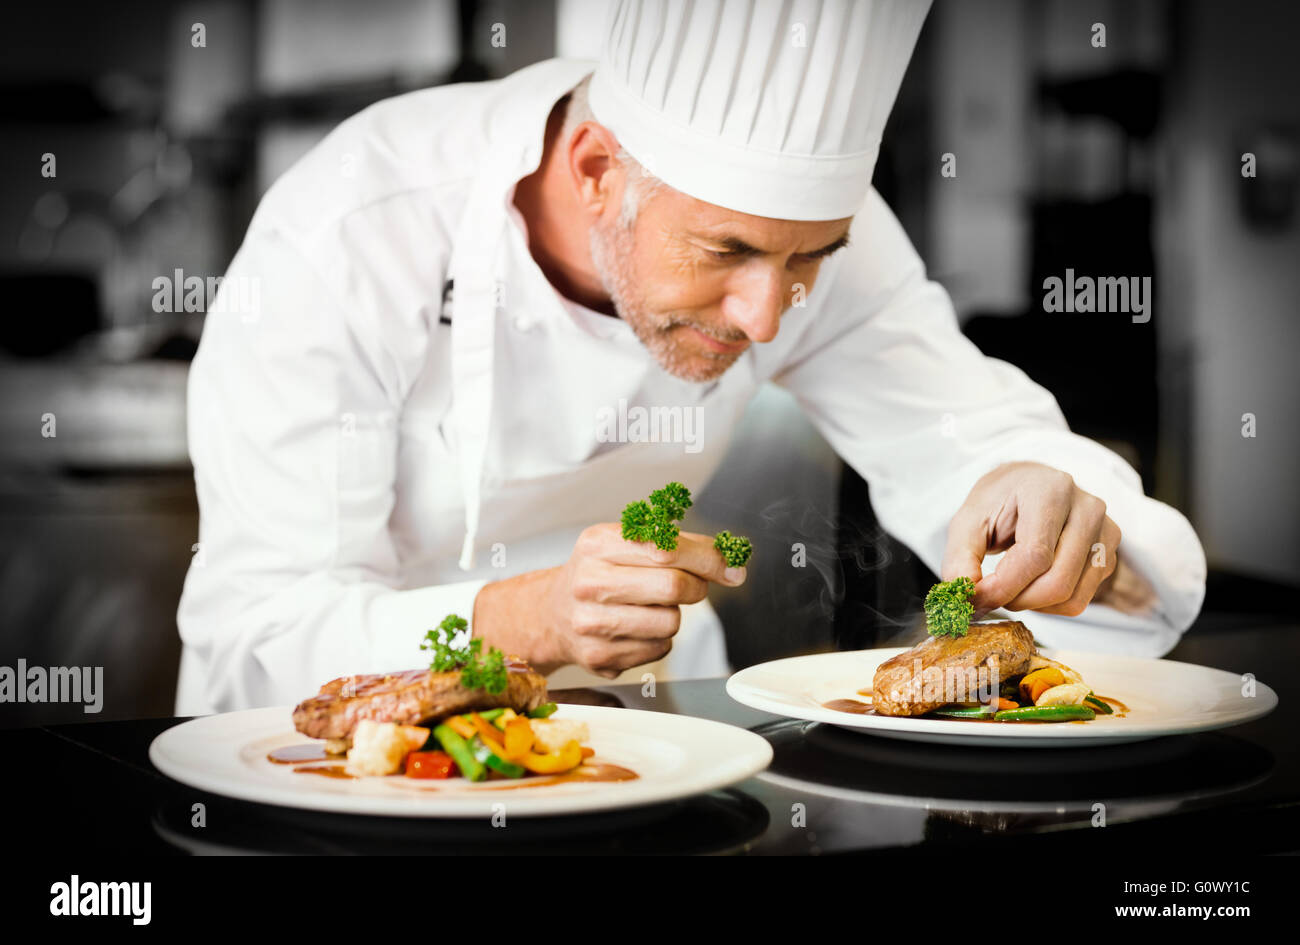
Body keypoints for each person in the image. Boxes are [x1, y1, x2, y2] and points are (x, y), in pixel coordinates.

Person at [175, 0, 1205, 714]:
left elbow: (967, 438)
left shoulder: (810, 239)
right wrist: (524, 618)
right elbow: (256, 635)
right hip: (343, 778)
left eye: (809, 257)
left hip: (653, 743)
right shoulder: (355, 227)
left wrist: (1045, 504)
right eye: (724, 252)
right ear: (594, 171)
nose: (767, 315)